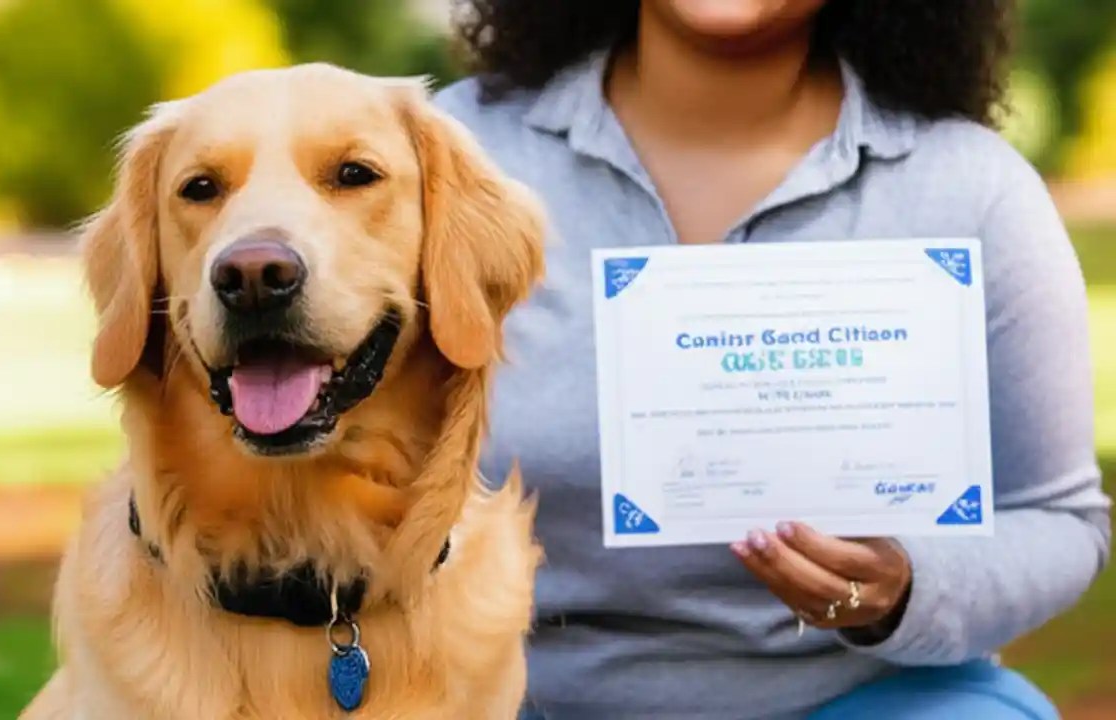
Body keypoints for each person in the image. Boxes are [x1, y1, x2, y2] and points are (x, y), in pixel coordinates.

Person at [432, 1, 1113, 718]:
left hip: (870, 695)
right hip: (507, 696)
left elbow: (1058, 519)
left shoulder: (971, 189)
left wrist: (905, 588)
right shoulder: (457, 153)